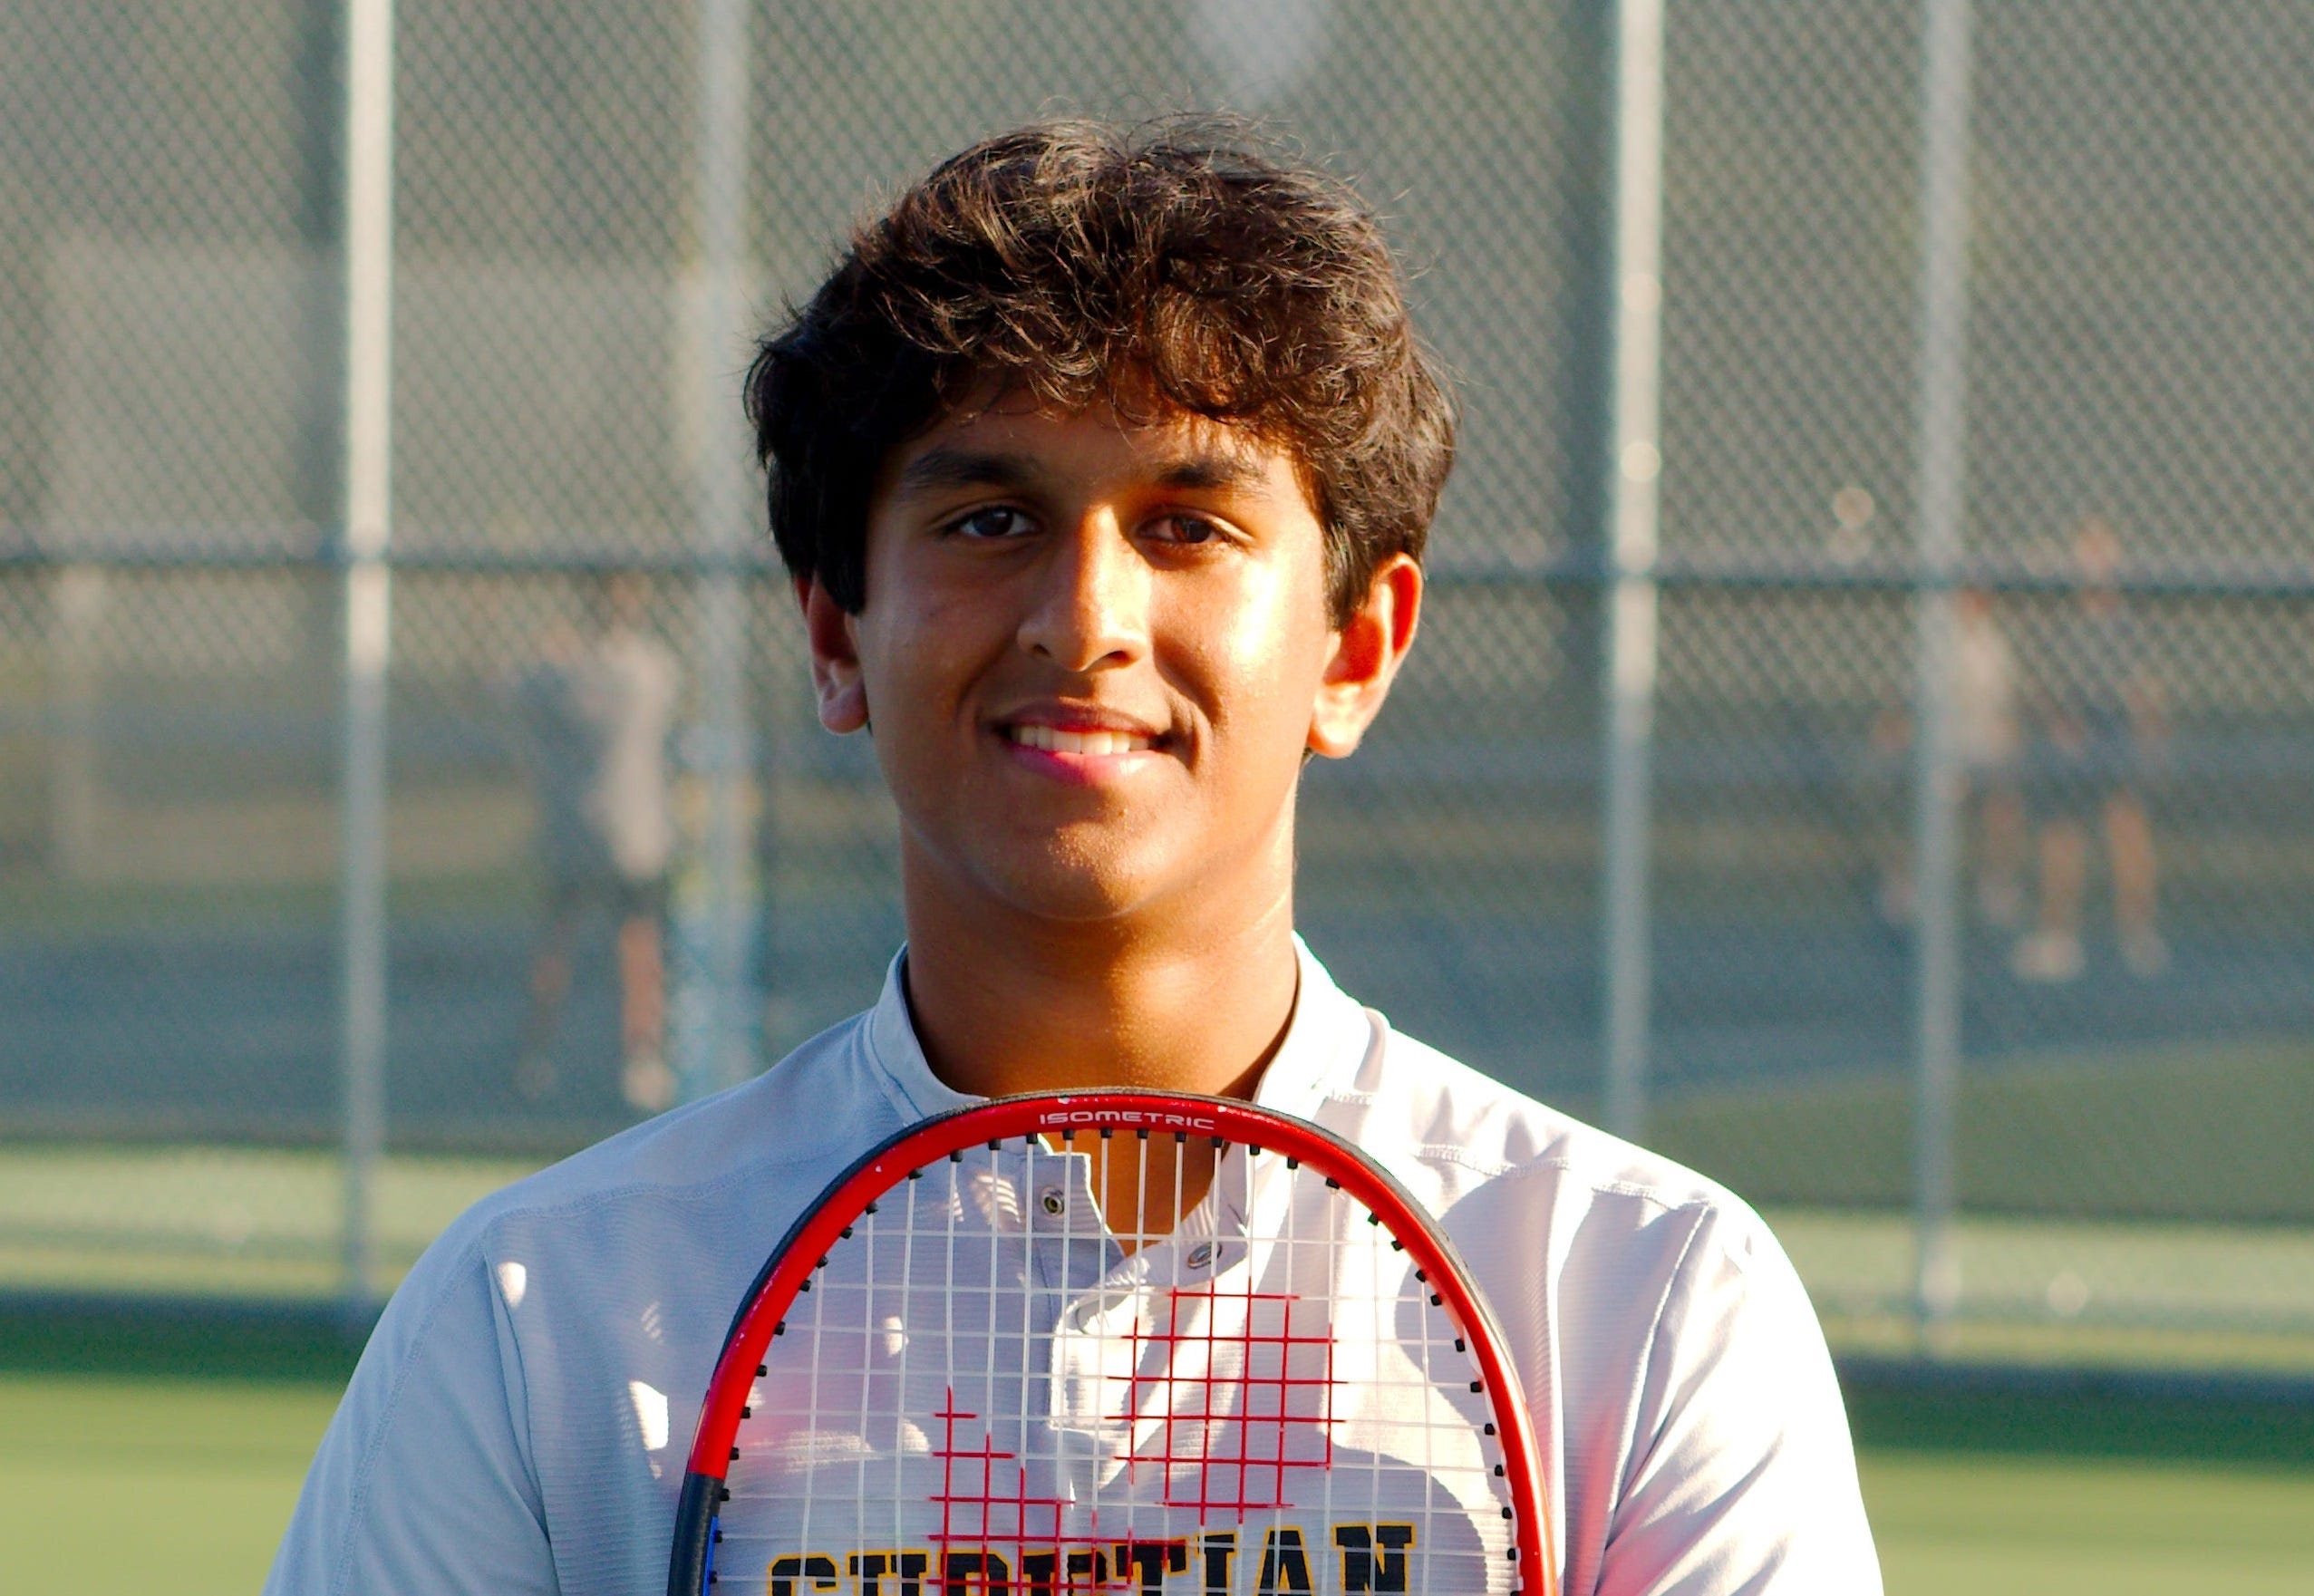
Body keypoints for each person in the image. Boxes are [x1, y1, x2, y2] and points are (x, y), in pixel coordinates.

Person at [268, 121, 1879, 1594]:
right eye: (987, 521)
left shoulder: (1641, 1302)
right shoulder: (535, 1317)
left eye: (1186, 522)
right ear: (835, 634)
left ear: (1353, 646)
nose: (1083, 618)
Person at [511, 571, 681, 1110]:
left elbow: (515, 690)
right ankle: (640, 1059)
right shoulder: (650, 667)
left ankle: (539, 1055)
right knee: (634, 942)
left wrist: (551, 653)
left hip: (584, 831)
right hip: (631, 833)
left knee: (568, 938)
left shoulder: (561, 673)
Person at [2011, 516, 2168, 982]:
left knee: (2127, 831)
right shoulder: (2060, 620)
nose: (2094, 563)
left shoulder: (2129, 620)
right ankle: (2060, 938)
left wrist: (2148, 734)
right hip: (2071, 738)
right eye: (2086, 553)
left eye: (2102, 553)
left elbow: (2144, 686)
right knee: (2063, 837)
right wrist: (2056, 720)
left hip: (2114, 731)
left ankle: (2138, 934)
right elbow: (2041, 682)